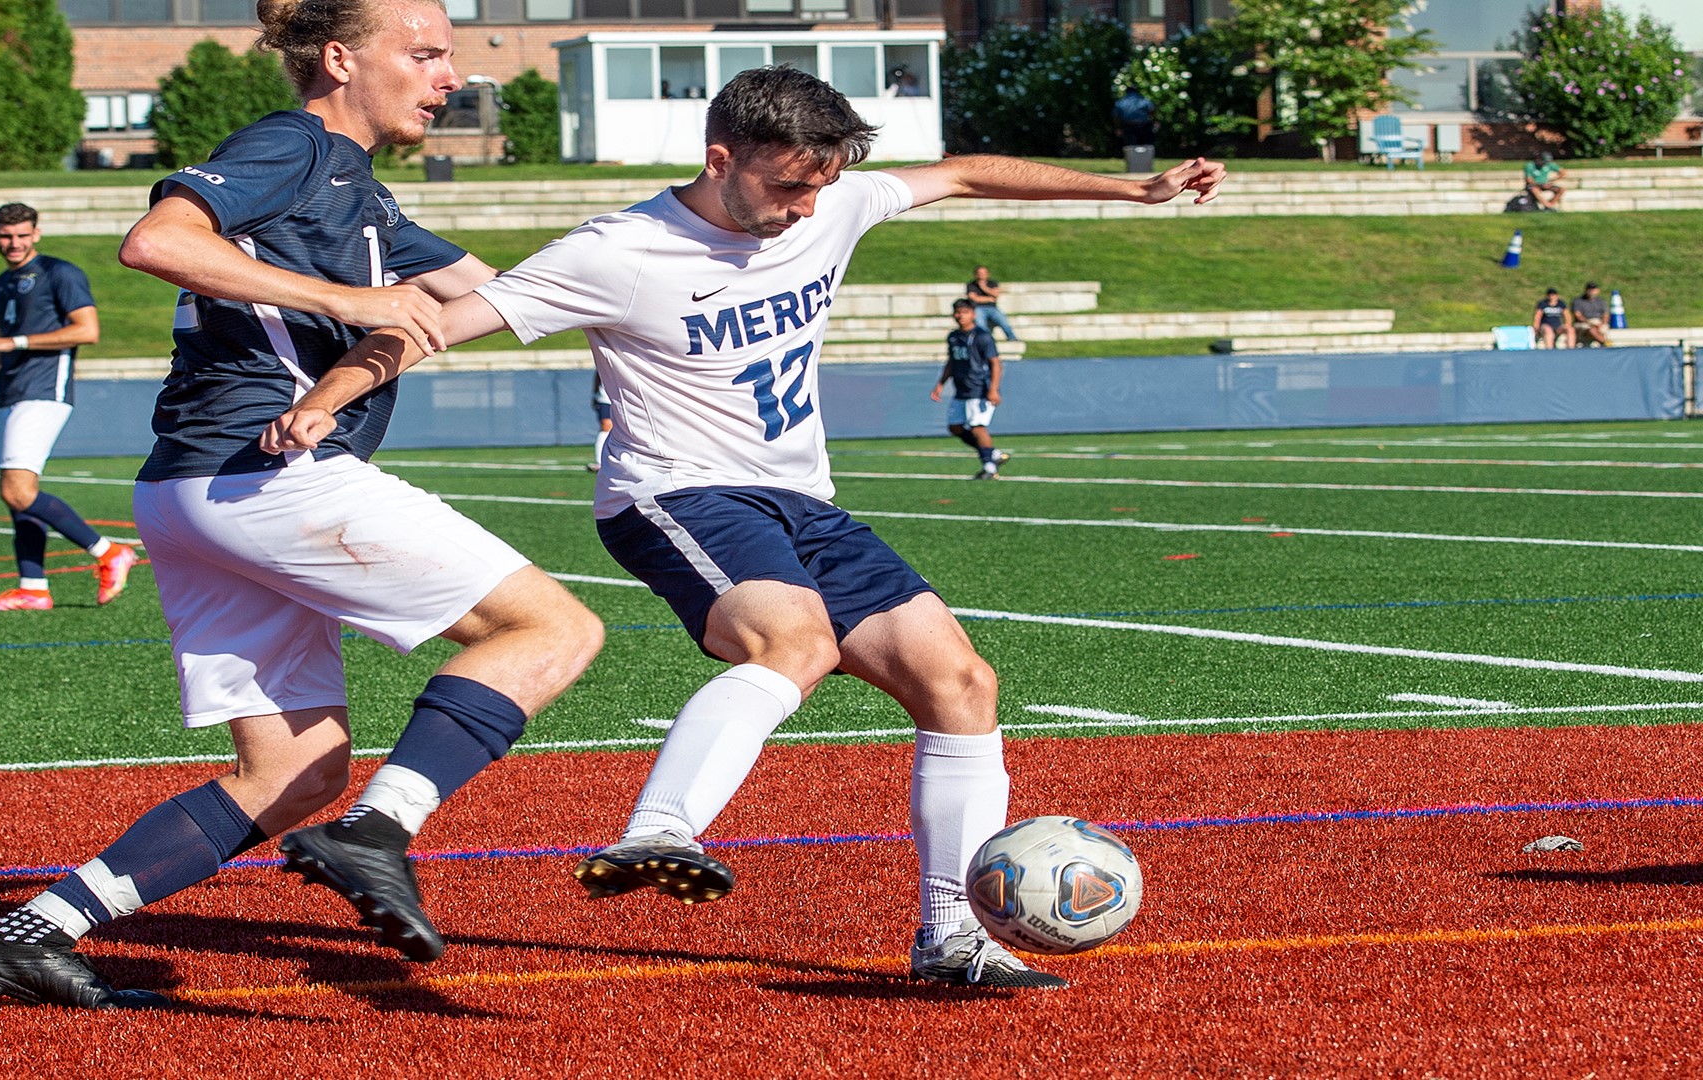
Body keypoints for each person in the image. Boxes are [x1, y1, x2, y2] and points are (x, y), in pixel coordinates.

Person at [263, 65, 1227, 990]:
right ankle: (659, 830)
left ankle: (952, 936)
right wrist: (326, 398)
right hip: (676, 496)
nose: (807, 207)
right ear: (720, 158)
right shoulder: (618, 251)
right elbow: (431, 325)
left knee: (961, 683)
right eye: (789, 185)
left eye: (822, 186)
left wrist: (1133, 189)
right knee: (793, 643)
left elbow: (967, 172)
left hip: (804, 500)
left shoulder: (833, 200)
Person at [0, 0, 603, 1010]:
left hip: (194, 491)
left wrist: (657, 267)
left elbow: (511, 292)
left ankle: (29, 933)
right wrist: (348, 302)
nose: (448, 77)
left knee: (296, 773)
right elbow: (155, 240)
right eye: (425, 54)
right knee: (551, 628)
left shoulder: (362, 191)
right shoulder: (294, 147)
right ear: (341, 59)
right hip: (267, 476)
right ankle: (381, 831)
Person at [0, 204, 140, 612]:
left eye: (21, 235)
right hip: (10, 392)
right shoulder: (4, 282)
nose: (13, 243)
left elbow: (88, 330)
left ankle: (109, 552)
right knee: (18, 494)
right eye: (5, 235)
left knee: (16, 490)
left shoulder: (59, 273)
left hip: (44, 390)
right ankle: (33, 587)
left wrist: (12, 342)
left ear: (36, 234)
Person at [932, 299, 1007, 480]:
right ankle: (992, 453)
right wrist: (941, 383)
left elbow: (996, 363)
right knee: (955, 427)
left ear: (973, 314)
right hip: (961, 390)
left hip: (979, 389)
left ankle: (989, 467)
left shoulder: (982, 336)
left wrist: (993, 389)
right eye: (957, 312)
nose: (960, 316)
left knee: (977, 427)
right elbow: (952, 361)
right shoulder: (953, 336)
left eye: (964, 312)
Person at [965, 264, 1016, 342]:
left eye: (984, 273)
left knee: (1003, 321)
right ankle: (987, 339)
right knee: (980, 324)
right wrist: (989, 298)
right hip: (978, 308)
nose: (982, 275)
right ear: (976, 274)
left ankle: (1012, 338)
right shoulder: (971, 285)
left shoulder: (993, 283)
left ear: (988, 274)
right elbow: (973, 298)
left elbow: (996, 295)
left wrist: (984, 287)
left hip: (992, 308)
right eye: (979, 273)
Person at [1571, 281, 1611, 347]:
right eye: (1590, 289)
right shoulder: (1578, 301)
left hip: (1598, 321)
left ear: (1597, 290)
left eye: (1593, 289)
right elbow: (1578, 315)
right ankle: (1604, 342)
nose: (1592, 291)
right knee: (1591, 330)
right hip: (1584, 322)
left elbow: (1605, 315)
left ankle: (1602, 343)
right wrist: (1590, 323)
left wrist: (1602, 323)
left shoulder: (1601, 301)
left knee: (1602, 328)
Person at [589, 372, 612, 472]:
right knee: (606, 426)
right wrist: (594, 394)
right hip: (605, 398)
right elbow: (598, 374)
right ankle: (600, 461)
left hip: (625, 397)